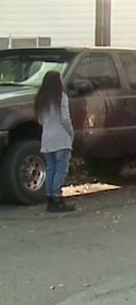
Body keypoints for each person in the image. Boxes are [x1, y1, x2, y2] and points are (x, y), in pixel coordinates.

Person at [35, 70, 75, 212]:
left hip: (47, 138)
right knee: (60, 170)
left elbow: (40, 120)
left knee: (51, 169)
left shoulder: (41, 99)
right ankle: (58, 197)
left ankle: (50, 198)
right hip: (61, 138)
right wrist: (71, 133)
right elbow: (65, 118)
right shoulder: (61, 97)